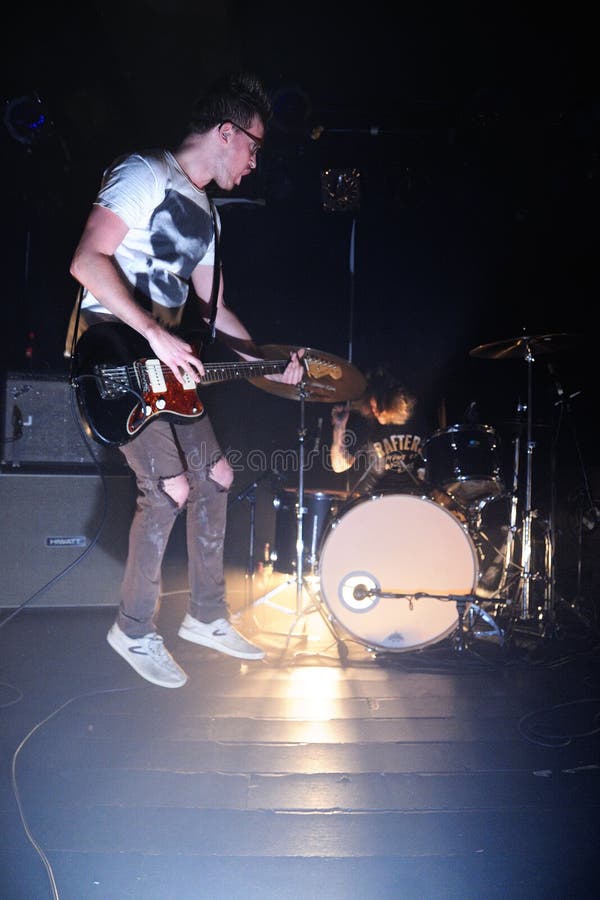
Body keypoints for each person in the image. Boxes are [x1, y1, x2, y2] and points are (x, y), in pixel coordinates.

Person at [68, 72, 304, 689]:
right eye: (254, 146)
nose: (255, 162)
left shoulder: (208, 216)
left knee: (217, 477)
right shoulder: (144, 171)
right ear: (226, 133)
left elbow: (215, 308)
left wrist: (267, 361)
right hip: (113, 354)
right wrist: (154, 332)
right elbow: (87, 260)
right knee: (168, 490)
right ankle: (133, 627)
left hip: (163, 361)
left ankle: (205, 617)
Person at [329, 367, 431, 497]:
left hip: (411, 498)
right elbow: (339, 466)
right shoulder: (366, 423)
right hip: (374, 500)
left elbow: (424, 469)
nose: (375, 410)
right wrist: (339, 427)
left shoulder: (417, 421)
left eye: (379, 404)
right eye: (372, 405)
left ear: (393, 402)